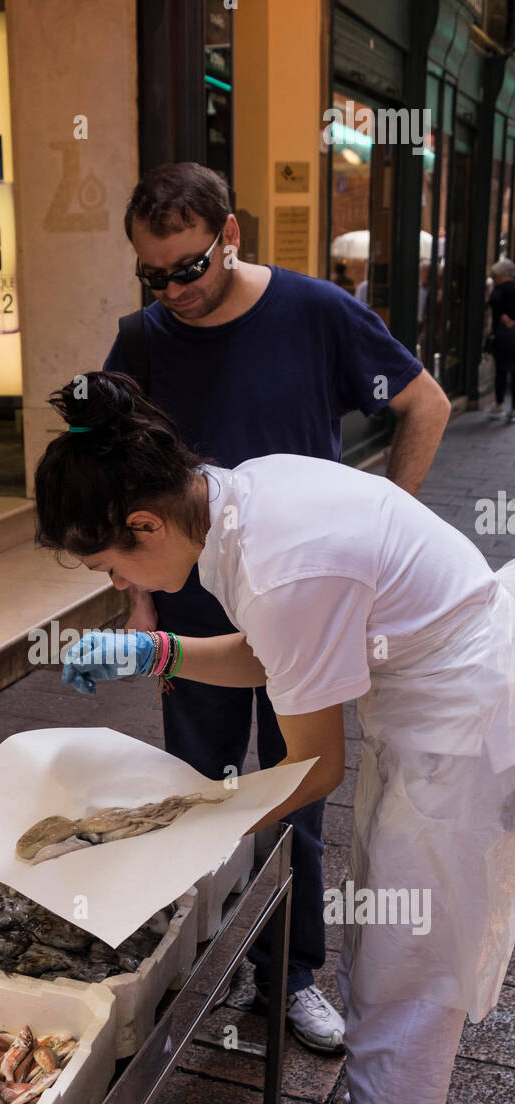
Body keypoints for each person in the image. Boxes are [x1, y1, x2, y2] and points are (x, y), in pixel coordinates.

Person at [35, 370, 515, 1104]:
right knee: (386, 957)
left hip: (463, 724)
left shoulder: (279, 559)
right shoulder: (234, 498)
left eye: (111, 571)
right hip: (425, 707)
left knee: (411, 981)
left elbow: (312, 769)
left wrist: (167, 831)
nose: (120, 588)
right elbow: (283, 653)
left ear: (144, 525)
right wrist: (160, 649)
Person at [104, 163, 450, 1055]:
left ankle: (286, 977)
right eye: (153, 274)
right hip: (193, 601)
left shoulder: (314, 311)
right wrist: (143, 610)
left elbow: (425, 403)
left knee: (295, 792)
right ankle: (182, 961)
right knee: (196, 789)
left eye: (188, 267)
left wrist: (387, 527)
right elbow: (116, 486)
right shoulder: (143, 341)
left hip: (304, 602)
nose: (172, 290)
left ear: (233, 235)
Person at [486, 258, 515, 420]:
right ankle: (513, 409)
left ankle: (499, 404)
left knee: (501, 370)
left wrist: (506, 320)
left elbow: (498, 310)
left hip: (504, 334)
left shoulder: (499, 291)